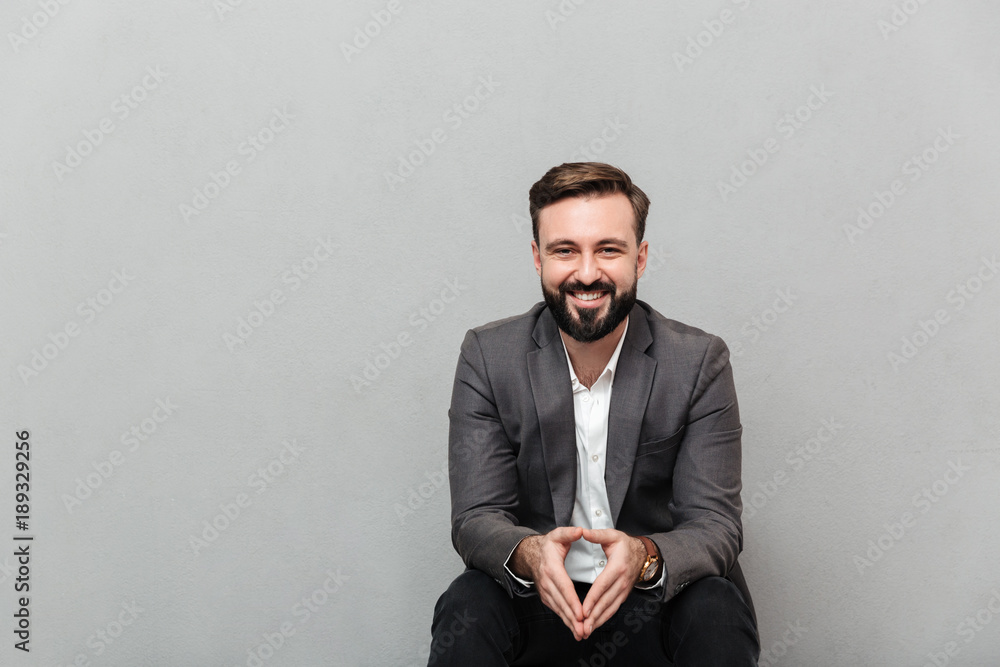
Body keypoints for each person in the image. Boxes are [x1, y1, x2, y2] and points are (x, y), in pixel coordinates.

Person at [428, 162, 759, 666]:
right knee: (466, 604)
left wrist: (645, 558)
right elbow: (476, 518)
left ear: (640, 258)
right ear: (537, 258)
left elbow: (716, 525)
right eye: (565, 250)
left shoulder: (698, 362)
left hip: (656, 600)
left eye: (608, 249)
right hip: (538, 602)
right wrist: (531, 555)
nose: (586, 273)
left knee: (716, 605)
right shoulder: (488, 356)